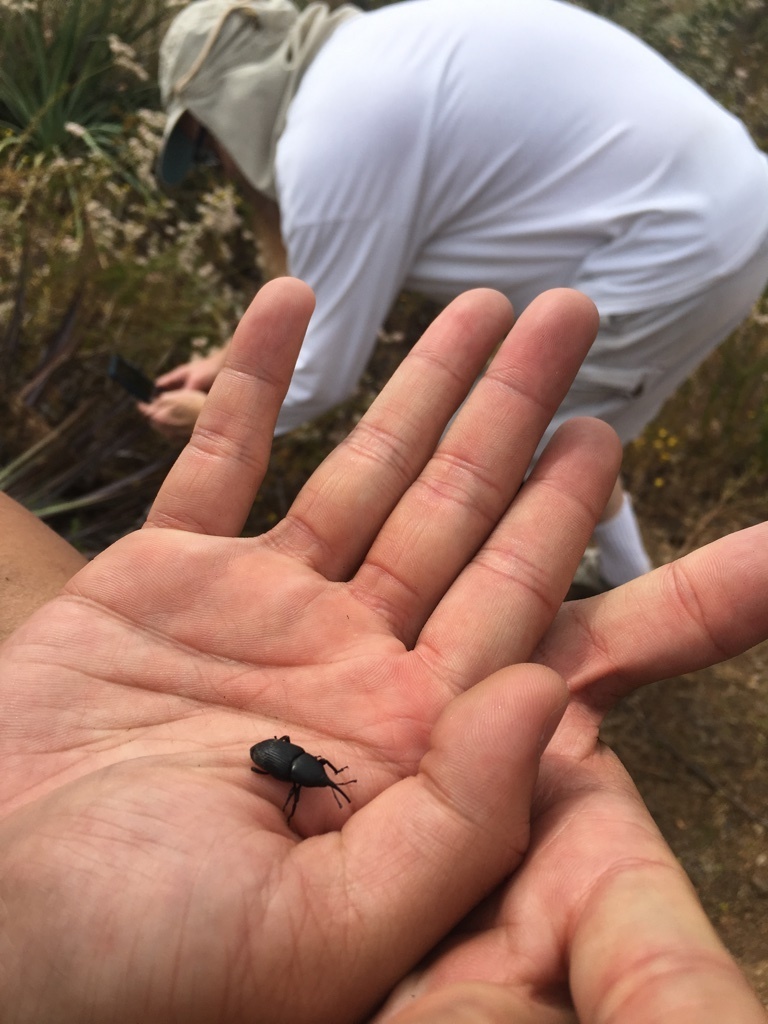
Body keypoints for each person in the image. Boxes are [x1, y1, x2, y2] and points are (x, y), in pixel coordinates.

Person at [2, 279, 767, 1022]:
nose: (318, 778)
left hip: (273, 756)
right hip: (273, 757)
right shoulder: (285, 770)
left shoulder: (290, 768)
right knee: (316, 777)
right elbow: (290, 767)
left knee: (318, 777)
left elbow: (296, 768)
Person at [140, 0, 768, 594]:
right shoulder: (369, 54)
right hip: (719, 201)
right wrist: (229, 360)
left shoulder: (328, 139)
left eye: (202, 143)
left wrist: (217, 423)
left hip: (682, 245)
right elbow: (322, 291)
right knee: (562, 431)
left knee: (480, 452)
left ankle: (579, 635)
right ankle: (627, 584)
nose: (217, 166)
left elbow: (324, 377)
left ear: (231, 104)